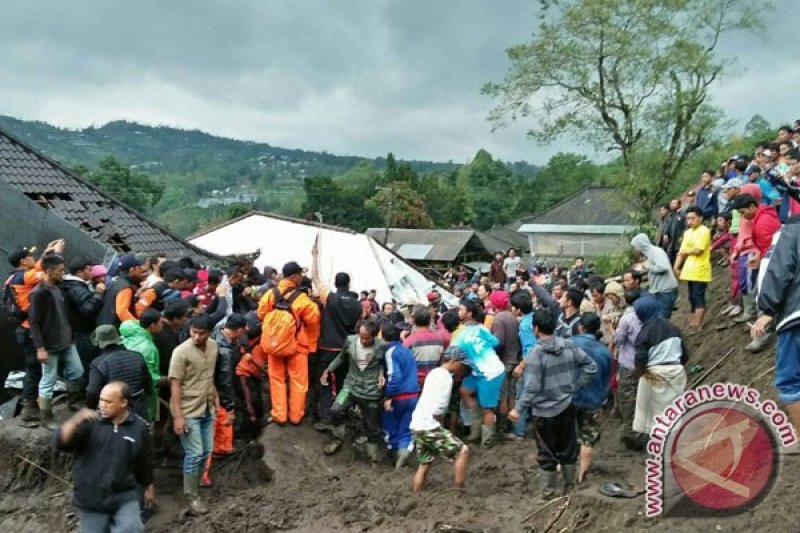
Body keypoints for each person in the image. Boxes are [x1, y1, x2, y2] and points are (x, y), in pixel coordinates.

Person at [508, 308, 597, 500]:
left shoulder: (535, 354)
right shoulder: (569, 345)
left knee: (546, 451)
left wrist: (518, 409)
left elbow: (531, 387)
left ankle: (548, 493)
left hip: (544, 411)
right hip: (566, 405)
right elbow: (591, 367)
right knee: (568, 447)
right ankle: (569, 487)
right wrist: (574, 386)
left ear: (536, 329)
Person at [54, 382, 155, 533]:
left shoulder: (139, 428)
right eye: (101, 400)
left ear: (123, 403)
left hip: (124, 496)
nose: (102, 405)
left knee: (131, 528)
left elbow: (144, 460)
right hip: (92, 499)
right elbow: (61, 443)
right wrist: (75, 420)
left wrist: (149, 487)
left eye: (108, 402)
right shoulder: (89, 423)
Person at [257, 261, 321, 426]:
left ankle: (279, 415)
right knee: (298, 380)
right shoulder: (301, 298)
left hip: (274, 343)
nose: (301, 278)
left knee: (276, 378)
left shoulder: (271, 294)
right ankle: (296, 416)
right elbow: (313, 318)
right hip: (297, 344)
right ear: (294, 276)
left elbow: (261, 313)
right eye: (300, 275)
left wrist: (277, 327)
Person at [169, 314, 218, 515]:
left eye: (202, 333)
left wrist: (215, 396)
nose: (197, 337)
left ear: (209, 333)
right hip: (188, 409)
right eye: (194, 332)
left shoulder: (213, 347)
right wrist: (178, 416)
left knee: (206, 451)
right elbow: (175, 384)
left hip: (206, 406)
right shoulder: (181, 352)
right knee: (195, 453)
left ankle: (195, 484)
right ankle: (192, 495)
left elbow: (208, 375)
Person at [754, 214, 800, 429]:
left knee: (791, 383)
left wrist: (768, 310)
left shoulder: (791, 229)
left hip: (795, 317)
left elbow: (779, 269)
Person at [29, 253, 85, 427]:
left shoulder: (59, 287)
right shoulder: (38, 293)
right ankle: (46, 417)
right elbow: (34, 322)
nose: (63, 272)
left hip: (66, 340)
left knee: (77, 370)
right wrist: (40, 348)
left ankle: (73, 402)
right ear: (48, 271)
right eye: (59, 270)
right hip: (50, 344)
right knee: (48, 380)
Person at [627, 297, 688, 451]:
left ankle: (658, 445)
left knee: (652, 413)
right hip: (676, 371)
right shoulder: (674, 328)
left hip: (655, 374)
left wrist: (637, 374)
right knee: (672, 407)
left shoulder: (644, 334)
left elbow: (641, 360)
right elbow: (684, 355)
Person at [320, 319, 387, 461]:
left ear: (374, 336)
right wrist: (328, 370)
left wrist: (381, 374)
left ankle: (372, 455)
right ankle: (337, 438)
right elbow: (341, 357)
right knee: (335, 409)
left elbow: (383, 363)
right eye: (361, 337)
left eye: (367, 338)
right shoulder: (350, 341)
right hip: (349, 387)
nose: (363, 341)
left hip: (371, 391)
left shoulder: (382, 346)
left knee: (371, 424)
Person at [409, 346, 471, 492]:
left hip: (417, 424)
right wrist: (441, 427)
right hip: (429, 425)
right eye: (461, 364)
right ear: (454, 361)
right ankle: (459, 490)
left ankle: (416, 493)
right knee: (463, 451)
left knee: (425, 462)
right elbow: (438, 408)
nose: (462, 369)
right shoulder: (446, 378)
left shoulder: (433, 372)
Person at [5, 244, 52, 427]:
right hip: (30, 330)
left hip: (24, 328)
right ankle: (29, 408)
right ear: (24, 261)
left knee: (33, 369)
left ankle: (31, 404)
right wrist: (54, 254)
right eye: (30, 256)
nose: (34, 258)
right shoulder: (26, 277)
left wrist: (47, 252)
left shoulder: (12, 278)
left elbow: (38, 267)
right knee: (34, 370)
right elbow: (47, 273)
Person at [730, 193, 782, 352]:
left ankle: (761, 336)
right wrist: (759, 256)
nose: (743, 216)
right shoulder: (762, 217)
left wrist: (764, 262)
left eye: (743, 212)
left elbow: (774, 248)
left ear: (752, 206)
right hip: (771, 261)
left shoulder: (763, 222)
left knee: (763, 297)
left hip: (775, 264)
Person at [452, 299, 505, 447]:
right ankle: (477, 427)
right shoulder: (482, 329)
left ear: (469, 314)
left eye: (461, 309)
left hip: (490, 373)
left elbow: (452, 356)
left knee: (487, 409)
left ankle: (487, 440)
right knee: (465, 390)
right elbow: (495, 343)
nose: (459, 312)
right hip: (480, 371)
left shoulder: (459, 337)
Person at [569, 313, 611, 484]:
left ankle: (563, 469)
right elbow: (607, 378)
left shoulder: (569, 344)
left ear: (581, 327)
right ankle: (582, 475)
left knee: (567, 434)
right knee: (587, 440)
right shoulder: (604, 351)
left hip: (569, 397)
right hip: (593, 400)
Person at [86, 325, 153, 420]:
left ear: (99, 343)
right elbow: (148, 384)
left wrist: (92, 409)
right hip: (139, 410)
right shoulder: (137, 356)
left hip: (113, 413)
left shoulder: (98, 363)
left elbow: (92, 392)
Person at [62, 258, 106, 391]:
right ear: (79, 272)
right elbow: (88, 309)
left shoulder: (72, 285)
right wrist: (98, 295)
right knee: (86, 365)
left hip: (76, 331)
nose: (92, 272)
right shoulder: (76, 288)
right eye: (89, 269)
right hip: (82, 332)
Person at [381, 321, 420, 470]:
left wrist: (388, 396)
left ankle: (394, 455)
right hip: (413, 395)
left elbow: (395, 377)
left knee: (391, 426)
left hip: (398, 396)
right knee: (405, 429)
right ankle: (403, 455)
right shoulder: (406, 350)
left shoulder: (391, 352)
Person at [673, 206, 712, 332]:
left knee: (698, 296)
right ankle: (693, 322)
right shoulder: (687, 233)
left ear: (700, 218)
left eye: (692, 218)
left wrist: (685, 251)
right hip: (689, 270)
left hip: (700, 270)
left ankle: (697, 324)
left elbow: (698, 250)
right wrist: (676, 266)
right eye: (688, 218)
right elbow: (681, 252)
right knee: (691, 297)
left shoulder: (704, 231)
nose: (689, 221)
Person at [120, 309, 163, 421]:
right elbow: (148, 375)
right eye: (160, 323)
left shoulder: (131, 334)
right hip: (141, 395)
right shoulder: (147, 347)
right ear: (152, 325)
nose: (162, 326)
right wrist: (162, 380)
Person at [489, 290, 520, 439]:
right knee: (512, 396)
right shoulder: (513, 317)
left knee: (503, 397)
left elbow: (498, 342)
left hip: (503, 361)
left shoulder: (498, 319)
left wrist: (490, 351)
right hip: (514, 360)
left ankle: (502, 429)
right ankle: (512, 426)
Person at [613, 289, 643, 445]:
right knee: (642, 395)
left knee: (628, 397)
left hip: (629, 362)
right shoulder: (649, 315)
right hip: (645, 362)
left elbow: (618, 339)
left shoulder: (627, 318)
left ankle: (629, 431)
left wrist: (611, 328)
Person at [630, 233, 679, 319]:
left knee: (662, 318)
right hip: (660, 291)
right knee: (658, 317)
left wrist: (645, 266)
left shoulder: (655, 251)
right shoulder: (649, 254)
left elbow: (663, 267)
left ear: (641, 244)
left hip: (666, 291)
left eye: (636, 246)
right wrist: (643, 268)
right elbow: (653, 268)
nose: (635, 249)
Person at [97, 254, 148, 327]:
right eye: (139, 267)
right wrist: (138, 327)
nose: (141, 270)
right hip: (113, 329)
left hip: (103, 325)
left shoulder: (116, 281)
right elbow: (122, 312)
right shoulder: (125, 287)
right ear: (132, 270)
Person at [403, 305, 445, 387]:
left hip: (415, 382)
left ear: (414, 321)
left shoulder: (409, 341)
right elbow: (441, 361)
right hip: (434, 381)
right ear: (429, 321)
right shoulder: (439, 339)